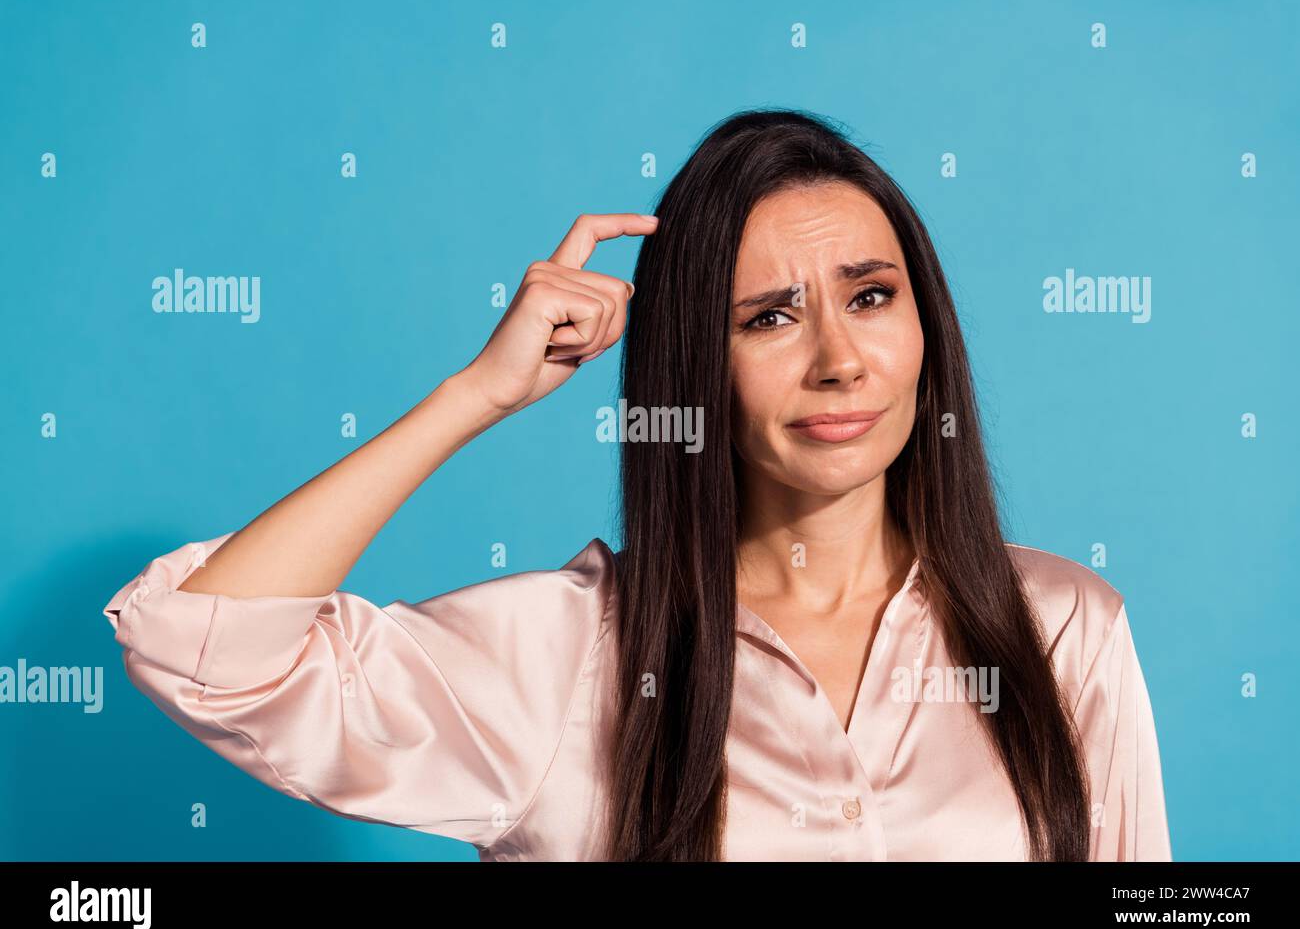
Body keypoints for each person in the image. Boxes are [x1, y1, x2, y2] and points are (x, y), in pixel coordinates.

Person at [103, 108, 1173, 862]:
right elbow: (203, 646)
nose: (839, 359)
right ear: (689, 365)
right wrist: (477, 393)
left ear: (926, 325)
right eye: (769, 316)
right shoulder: (567, 661)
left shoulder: (1062, 628)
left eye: (872, 295)